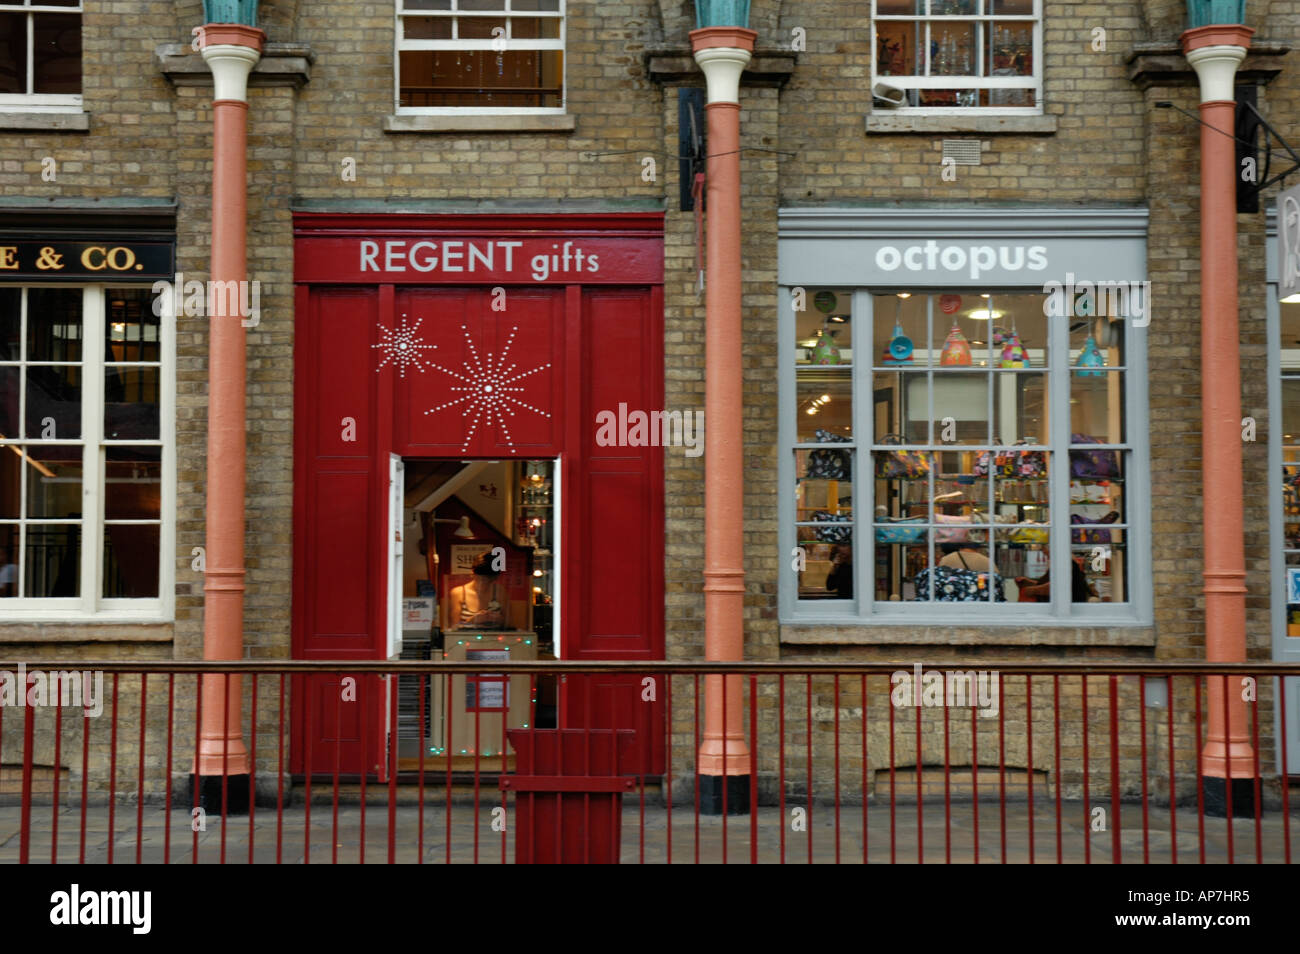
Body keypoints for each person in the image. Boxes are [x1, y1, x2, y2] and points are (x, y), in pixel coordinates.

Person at [448, 549, 506, 629]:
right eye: (480, 579)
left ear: (494, 578)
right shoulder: (458, 593)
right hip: (466, 639)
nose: (483, 584)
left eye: (488, 580)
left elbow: (509, 624)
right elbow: (454, 627)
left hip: (494, 639)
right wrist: (473, 620)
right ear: (472, 573)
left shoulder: (500, 591)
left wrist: (499, 620)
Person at [1016, 556, 1098, 603]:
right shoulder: (1058, 560)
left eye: (1044, 547)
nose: (1042, 550)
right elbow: (1051, 582)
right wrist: (1029, 582)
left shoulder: (1063, 561)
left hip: (1068, 605)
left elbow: (1057, 586)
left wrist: (1032, 590)